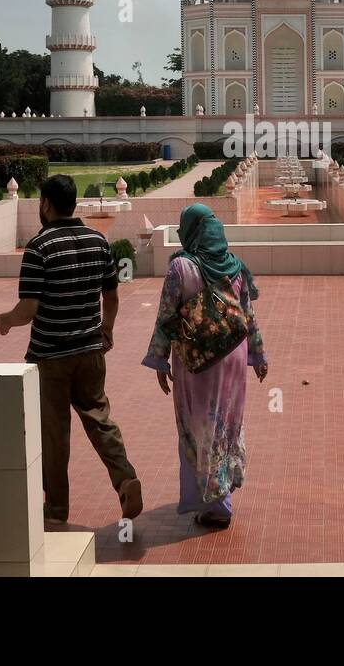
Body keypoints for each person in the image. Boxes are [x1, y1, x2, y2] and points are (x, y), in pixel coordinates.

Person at [0, 174, 142, 525]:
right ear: (74, 203)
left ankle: (57, 510)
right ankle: (125, 478)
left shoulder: (39, 247)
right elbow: (112, 295)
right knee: (99, 417)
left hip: (51, 356)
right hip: (90, 351)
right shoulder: (98, 240)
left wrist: (5, 320)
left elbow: (28, 310)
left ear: (45, 204)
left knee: (55, 434)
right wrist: (106, 329)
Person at [142, 203, 266, 529]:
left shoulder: (181, 268)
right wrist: (258, 355)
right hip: (233, 360)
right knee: (225, 424)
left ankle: (216, 504)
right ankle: (221, 492)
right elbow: (248, 315)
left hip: (196, 365)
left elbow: (166, 318)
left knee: (199, 427)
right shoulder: (235, 266)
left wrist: (159, 359)